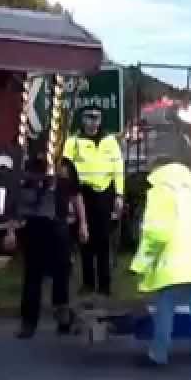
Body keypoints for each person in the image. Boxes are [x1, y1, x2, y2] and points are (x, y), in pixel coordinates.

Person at [129, 158, 191, 380]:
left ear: (158, 170)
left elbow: (156, 234)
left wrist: (140, 265)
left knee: (165, 307)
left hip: (175, 262)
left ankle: (158, 354)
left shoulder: (162, 191)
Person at [5, 157, 88, 338]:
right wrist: (10, 231)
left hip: (59, 228)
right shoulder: (30, 166)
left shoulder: (65, 166)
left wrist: (83, 224)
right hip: (35, 228)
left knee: (61, 275)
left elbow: (76, 196)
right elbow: (17, 201)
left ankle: (63, 317)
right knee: (32, 277)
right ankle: (28, 322)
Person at [62, 107, 124, 296]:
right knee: (85, 239)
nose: (93, 121)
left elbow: (118, 167)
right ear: (82, 120)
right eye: (89, 117)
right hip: (82, 194)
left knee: (104, 240)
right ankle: (88, 283)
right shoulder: (73, 141)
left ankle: (105, 285)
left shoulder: (110, 140)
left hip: (105, 193)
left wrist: (119, 194)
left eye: (96, 118)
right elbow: (65, 169)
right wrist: (67, 198)